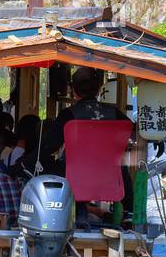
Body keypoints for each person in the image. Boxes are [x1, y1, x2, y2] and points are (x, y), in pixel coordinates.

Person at [49, 66, 132, 226]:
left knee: (54, 165)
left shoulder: (68, 115)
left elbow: (50, 146)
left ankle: (73, 211)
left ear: (73, 90)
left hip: (75, 177)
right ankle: (129, 212)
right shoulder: (114, 113)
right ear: (98, 89)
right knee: (121, 165)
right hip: (110, 176)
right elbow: (130, 131)